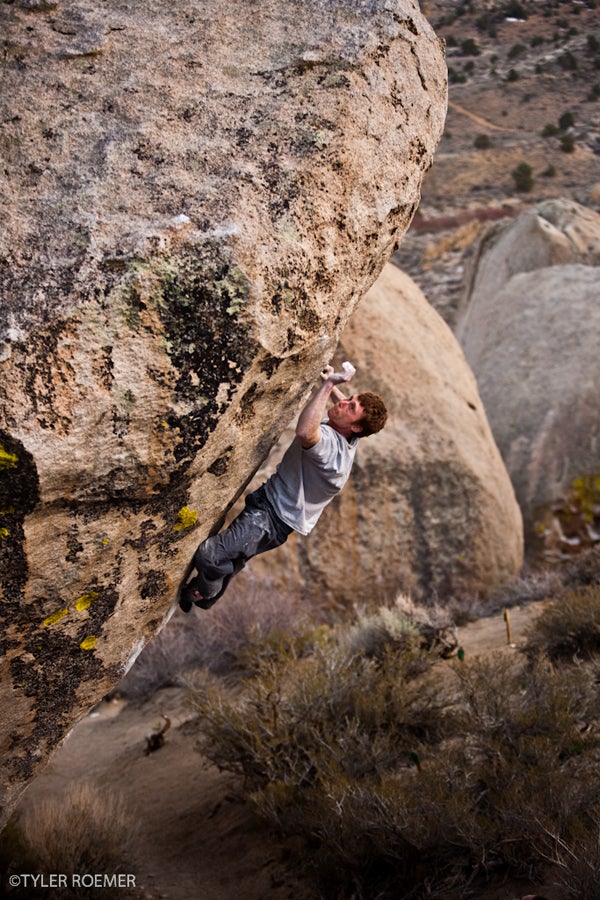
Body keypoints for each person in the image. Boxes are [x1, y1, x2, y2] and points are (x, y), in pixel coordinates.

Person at [178, 361, 388, 612]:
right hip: (272, 504)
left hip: (271, 520)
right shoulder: (350, 432)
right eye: (349, 398)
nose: (343, 403)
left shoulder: (332, 452)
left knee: (210, 555)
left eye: (351, 407)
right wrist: (331, 384)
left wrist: (327, 386)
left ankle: (206, 590)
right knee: (236, 553)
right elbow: (344, 406)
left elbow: (305, 433)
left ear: (356, 427)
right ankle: (206, 598)